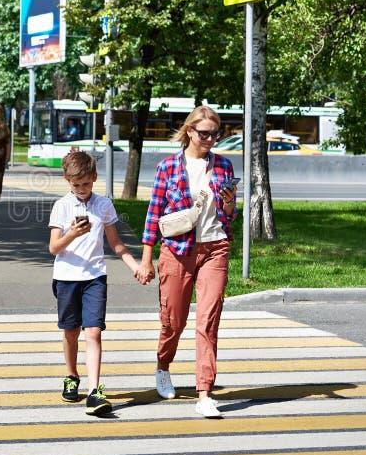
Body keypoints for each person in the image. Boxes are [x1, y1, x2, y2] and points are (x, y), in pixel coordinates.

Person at [137, 105, 238, 418]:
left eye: (215, 134)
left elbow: (230, 215)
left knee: (208, 321)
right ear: (190, 131)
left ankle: (204, 393)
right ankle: (163, 366)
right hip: (177, 250)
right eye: (204, 133)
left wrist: (229, 203)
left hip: (215, 248)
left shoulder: (223, 165)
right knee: (174, 322)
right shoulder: (169, 166)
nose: (210, 139)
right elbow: (154, 213)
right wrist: (146, 259)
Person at [48, 150, 150, 416]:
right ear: (67, 181)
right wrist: (72, 234)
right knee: (71, 332)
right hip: (67, 278)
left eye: (86, 183)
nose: (82, 189)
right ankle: (72, 375)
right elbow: (54, 248)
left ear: (94, 177)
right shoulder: (61, 206)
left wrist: (136, 267)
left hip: (95, 277)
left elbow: (116, 244)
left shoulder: (104, 205)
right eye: (76, 184)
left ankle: (94, 391)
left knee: (93, 331)